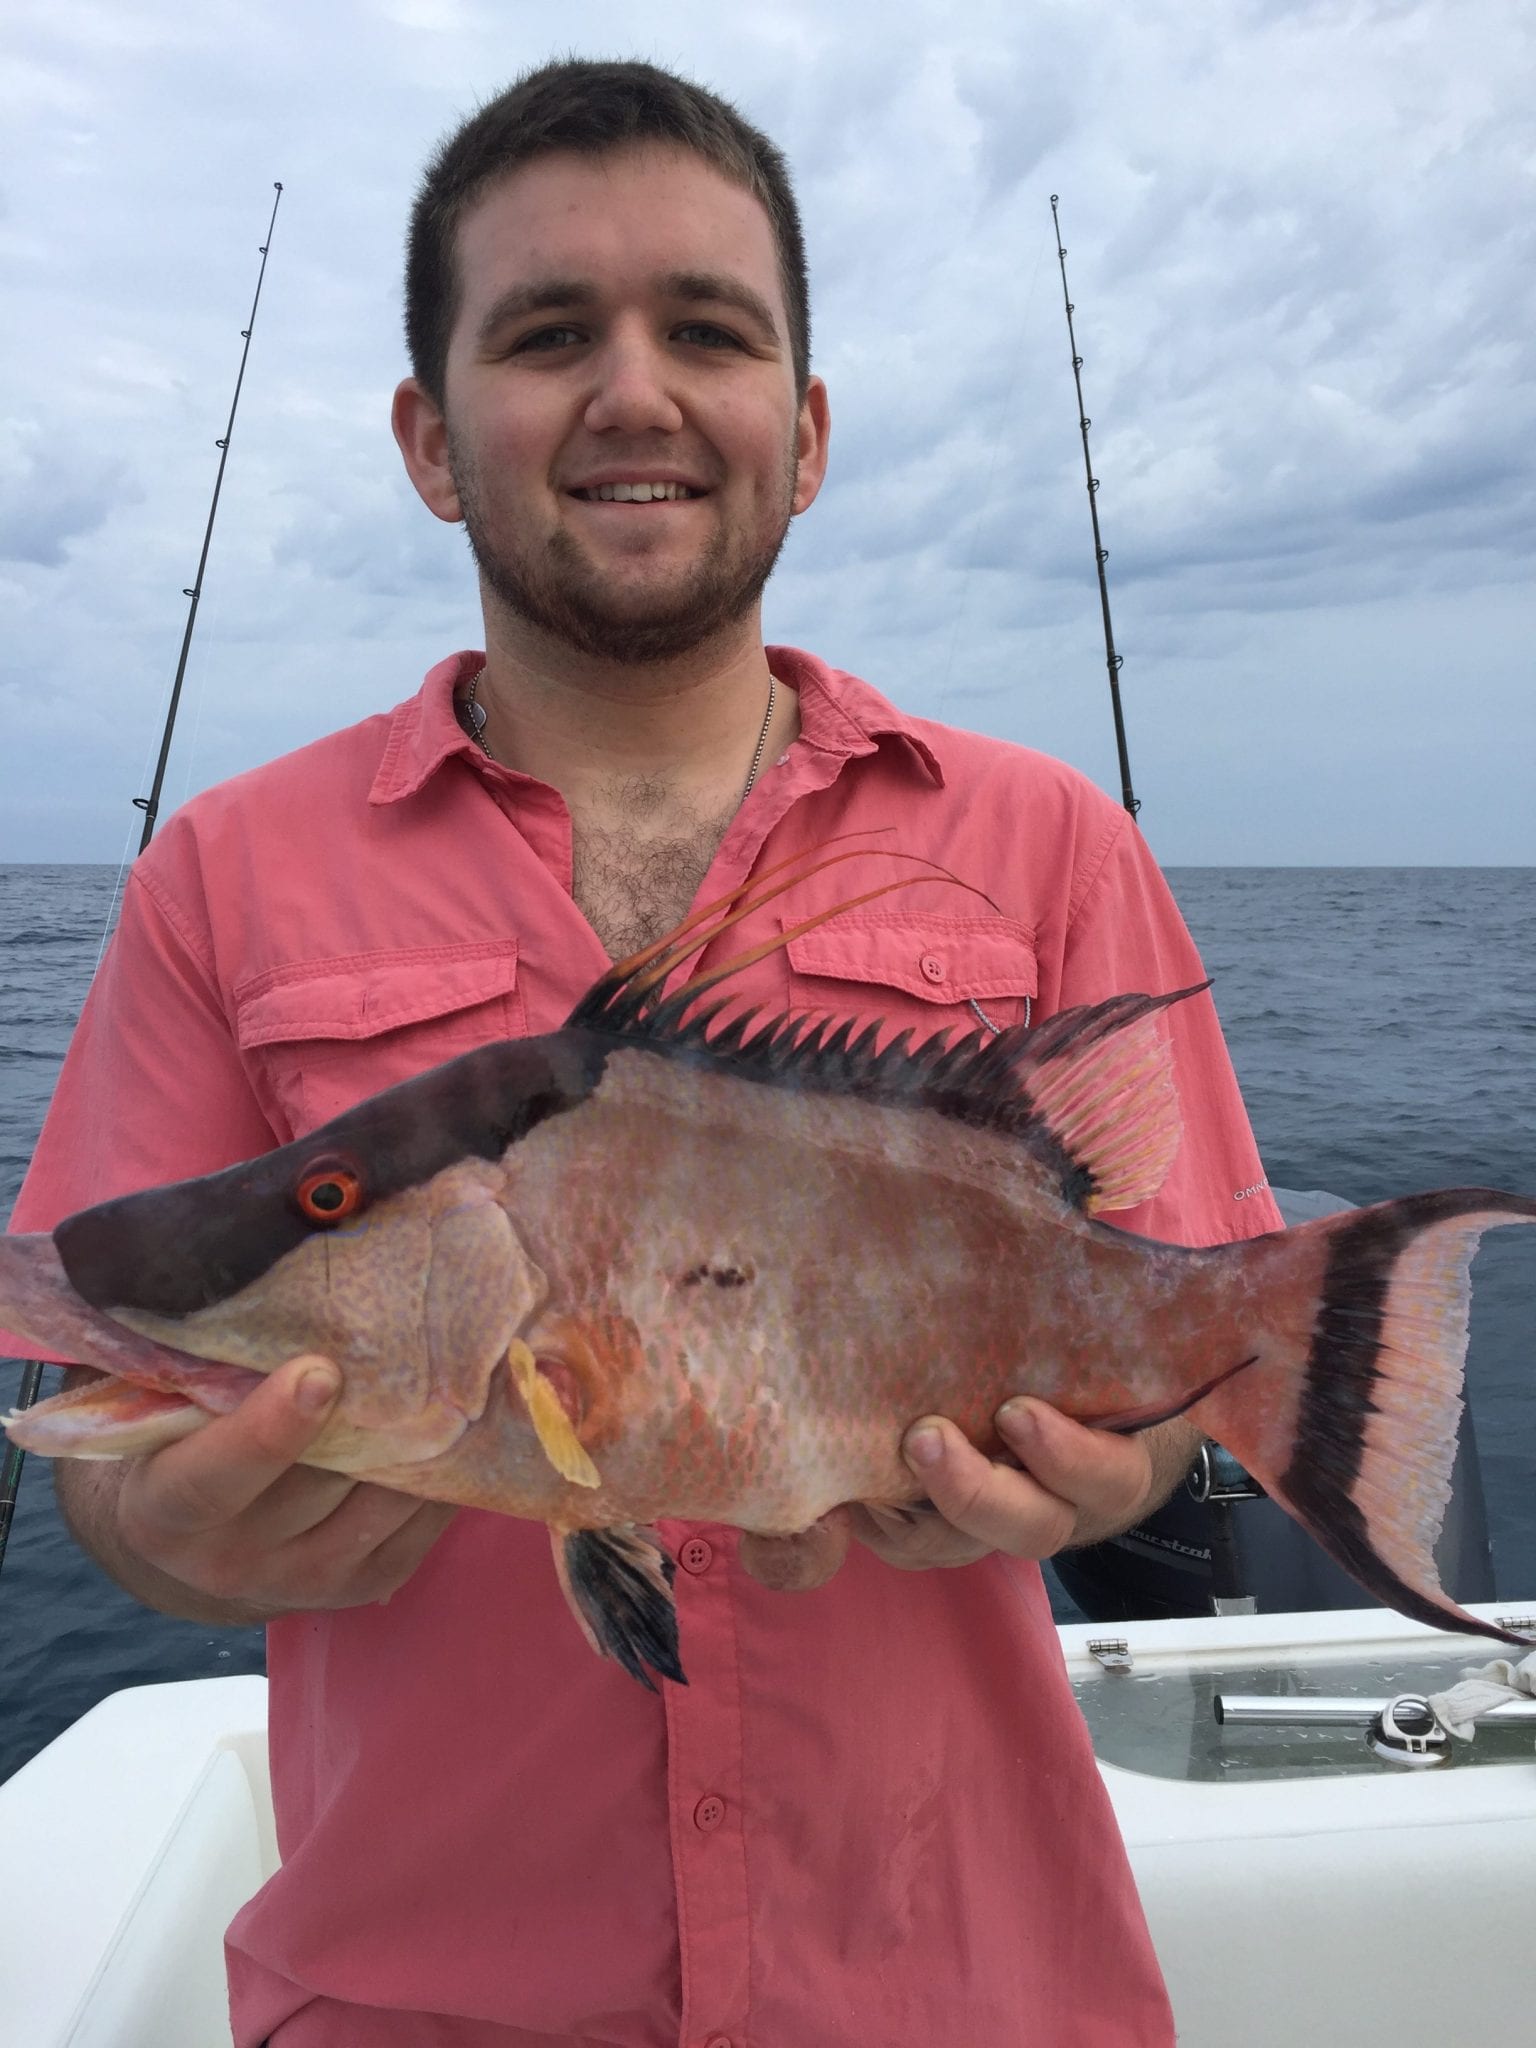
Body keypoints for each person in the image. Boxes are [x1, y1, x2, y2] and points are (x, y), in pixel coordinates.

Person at [7, 58, 1284, 2048]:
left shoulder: (1046, 844)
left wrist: (1118, 1459)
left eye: (708, 329)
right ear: (433, 440)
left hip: (970, 1992)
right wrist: (156, 1530)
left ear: (808, 428)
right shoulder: (219, 880)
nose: (633, 390)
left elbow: (1218, 1365)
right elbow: (108, 1358)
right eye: (545, 334)